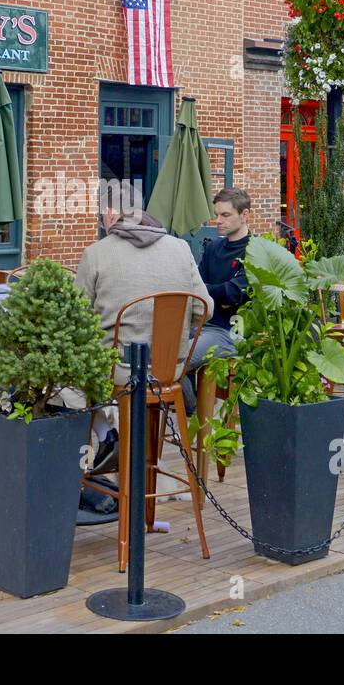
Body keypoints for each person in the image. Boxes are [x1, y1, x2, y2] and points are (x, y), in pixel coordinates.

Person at [73, 183, 212, 473]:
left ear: (111, 214)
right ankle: (136, 453)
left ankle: (99, 442)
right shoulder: (181, 248)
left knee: (68, 378)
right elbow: (205, 309)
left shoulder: (96, 253)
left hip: (118, 371)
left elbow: (76, 319)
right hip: (169, 371)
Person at [182, 188, 252, 411]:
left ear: (245, 215)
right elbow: (197, 287)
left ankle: (192, 410)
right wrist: (217, 291)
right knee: (156, 350)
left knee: (173, 360)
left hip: (231, 332)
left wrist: (212, 291)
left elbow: (233, 293)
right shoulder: (213, 247)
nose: (218, 221)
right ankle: (191, 405)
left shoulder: (256, 251)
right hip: (201, 325)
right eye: (217, 214)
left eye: (225, 215)